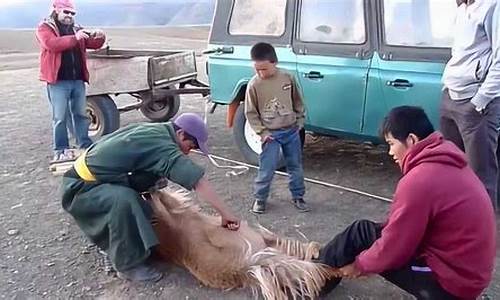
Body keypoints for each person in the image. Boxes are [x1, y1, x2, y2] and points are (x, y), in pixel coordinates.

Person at [319, 106, 496, 299]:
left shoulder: (420, 180)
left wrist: (360, 265)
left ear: (411, 140)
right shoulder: (448, 161)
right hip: (468, 272)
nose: (390, 152)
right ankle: (318, 274)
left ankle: (305, 282)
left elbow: (395, 247)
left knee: (366, 236)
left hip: (453, 284)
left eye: (392, 143)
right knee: (365, 232)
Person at [61, 113, 241, 282]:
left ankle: (110, 242)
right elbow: (197, 181)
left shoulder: (158, 130)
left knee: (146, 204)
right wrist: (225, 213)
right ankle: (126, 265)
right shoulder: (162, 145)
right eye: (191, 146)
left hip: (93, 178)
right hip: (80, 189)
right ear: (180, 134)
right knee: (126, 202)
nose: (188, 152)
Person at [441, 0, 500, 211]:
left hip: (475, 104)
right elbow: (460, 53)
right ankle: (460, 220)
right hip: (451, 97)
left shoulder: (493, 6)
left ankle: (482, 236)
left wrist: (480, 100)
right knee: (451, 167)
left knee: (481, 177)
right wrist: (446, 86)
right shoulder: (462, 7)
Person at [36, 0, 106, 162]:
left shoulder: (76, 28)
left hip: (77, 79)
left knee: (80, 114)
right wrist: (76, 38)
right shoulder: (45, 27)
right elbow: (52, 44)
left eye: (72, 13)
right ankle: (61, 149)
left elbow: (92, 44)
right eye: (66, 12)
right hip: (58, 81)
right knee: (60, 117)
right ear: (56, 10)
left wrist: (100, 37)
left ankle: (84, 144)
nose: (69, 16)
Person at [245, 42, 308, 214]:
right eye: (256, 69)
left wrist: (299, 122)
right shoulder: (254, 85)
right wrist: (263, 133)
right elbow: (250, 113)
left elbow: (298, 101)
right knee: (267, 169)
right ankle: (260, 199)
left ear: (274, 62)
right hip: (270, 135)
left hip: (291, 130)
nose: (260, 73)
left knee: (295, 166)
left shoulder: (288, 78)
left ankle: (298, 196)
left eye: (263, 69)